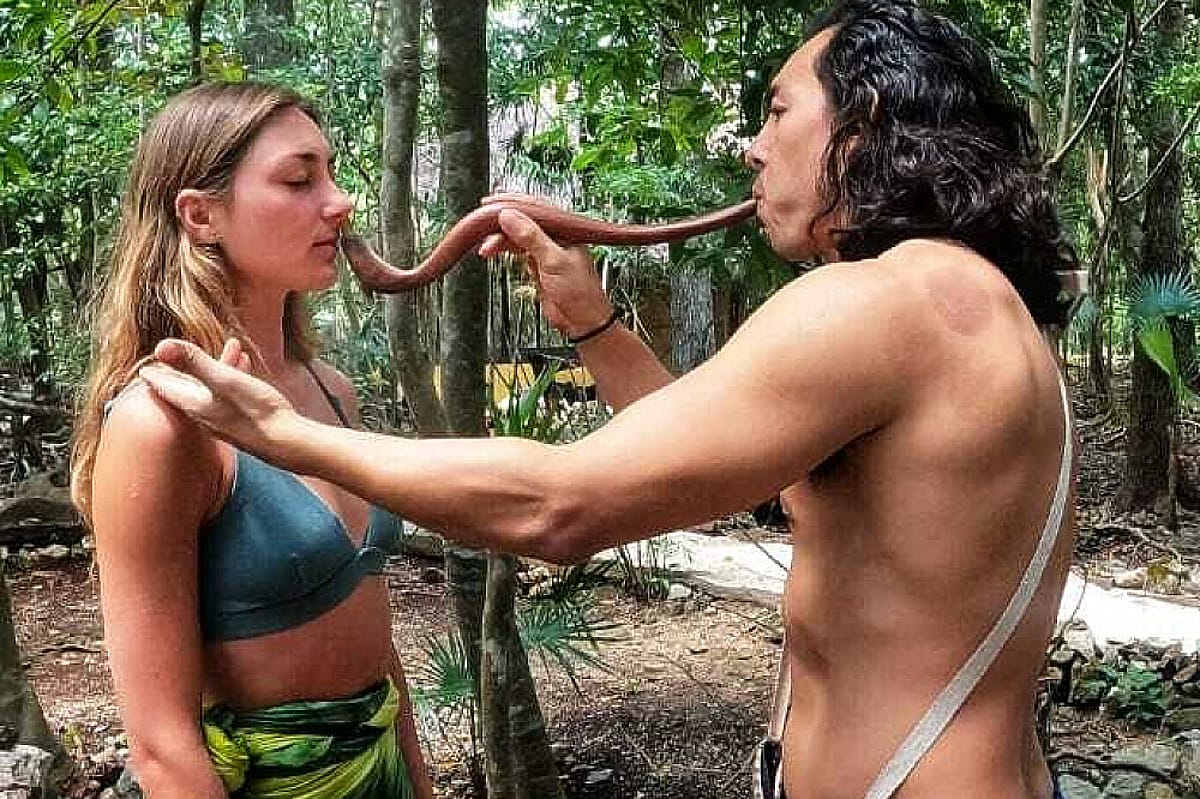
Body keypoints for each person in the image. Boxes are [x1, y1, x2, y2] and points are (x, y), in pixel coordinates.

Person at [136, 2, 1079, 797]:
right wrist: (592, 322)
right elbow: (710, 463)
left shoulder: (882, 301)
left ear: (860, 129)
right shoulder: (978, 305)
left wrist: (285, 434)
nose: (754, 147)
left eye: (778, 112)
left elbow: (560, 504)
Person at [69, 82, 435, 799]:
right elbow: (162, 744)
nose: (338, 200)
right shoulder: (162, 423)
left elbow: (376, 650)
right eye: (300, 179)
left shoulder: (331, 389)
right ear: (200, 215)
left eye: (330, 173)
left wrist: (419, 784)